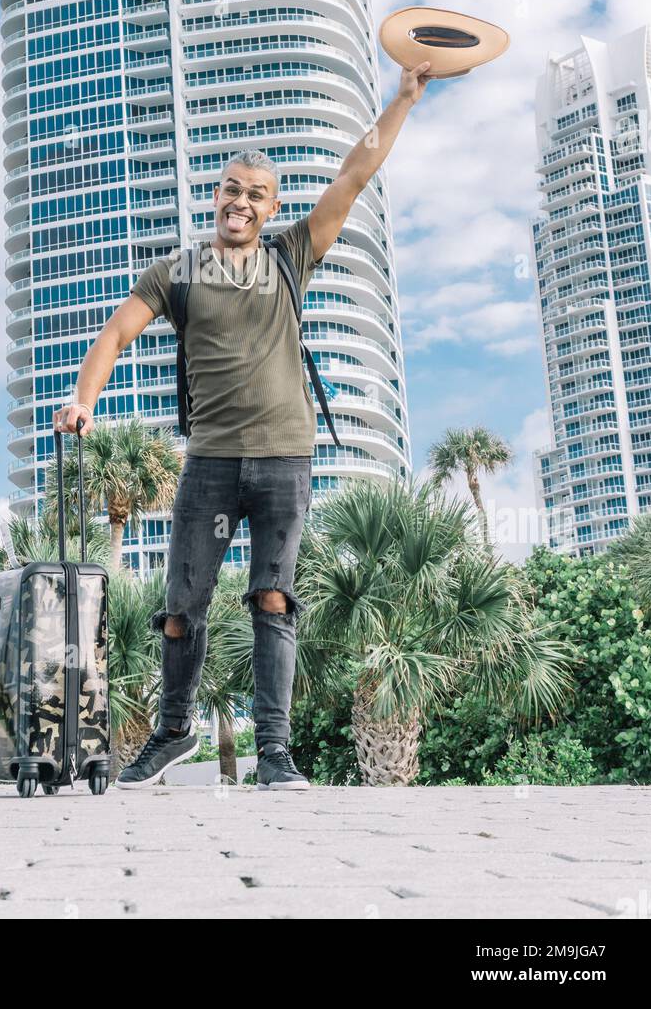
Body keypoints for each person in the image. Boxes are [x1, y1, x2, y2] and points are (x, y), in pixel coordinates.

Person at [54, 61, 430, 788]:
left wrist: (404, 100)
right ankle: (172, 733)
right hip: (211, 463)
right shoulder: (178, 272)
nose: (242, 202)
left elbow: (355, 174)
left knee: (274, 598)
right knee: (180, 608)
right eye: (233, 189)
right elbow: (115, 334)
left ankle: (275, 753)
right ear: (217, 195)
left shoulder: (293, 255)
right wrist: (84, 400)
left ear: (270, 206)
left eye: (257, 194)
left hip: (285, 458)